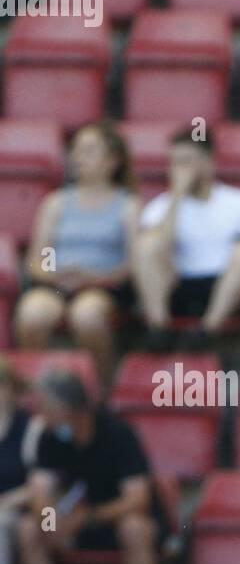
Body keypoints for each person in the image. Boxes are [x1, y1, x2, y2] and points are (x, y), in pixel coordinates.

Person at [17, 370, 162, 564]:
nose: (39, 414)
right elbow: (40, 491)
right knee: (29, 528)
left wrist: (86, 518)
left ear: (67, 409)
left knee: (135, 528)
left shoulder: (118, 434)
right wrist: (51, 523)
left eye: (45, 406)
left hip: (110, 521)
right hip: (74, 524)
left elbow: (137, 499)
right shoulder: (48, 437)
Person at [15, 121, 141, 382]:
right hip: (58, 285)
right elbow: (41, 255)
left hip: (105, 286)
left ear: (112, 160)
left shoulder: (128, 205)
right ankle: (38, 388)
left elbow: (134, 263)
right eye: (76, 150)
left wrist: (95, 277)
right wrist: (54, 274)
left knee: (87, 316)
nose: (79, 157)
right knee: (32, 314)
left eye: (89, 150)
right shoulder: (57, 203)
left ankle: (100, 391)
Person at [132, 127, 240, 351]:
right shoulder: (160, 207)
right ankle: (158, 329)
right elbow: (156, 250)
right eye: (174, 162)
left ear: (209, 162)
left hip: (225, 289)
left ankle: (207, 331)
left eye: (187, 161)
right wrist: (177, 196)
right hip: (177, 286)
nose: (179, 169)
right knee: (145, 244)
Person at [0, 358, 43, 564]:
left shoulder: (31, 428)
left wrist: (5, 502)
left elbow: (42, 485)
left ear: (13, 390)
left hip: (22, 510)